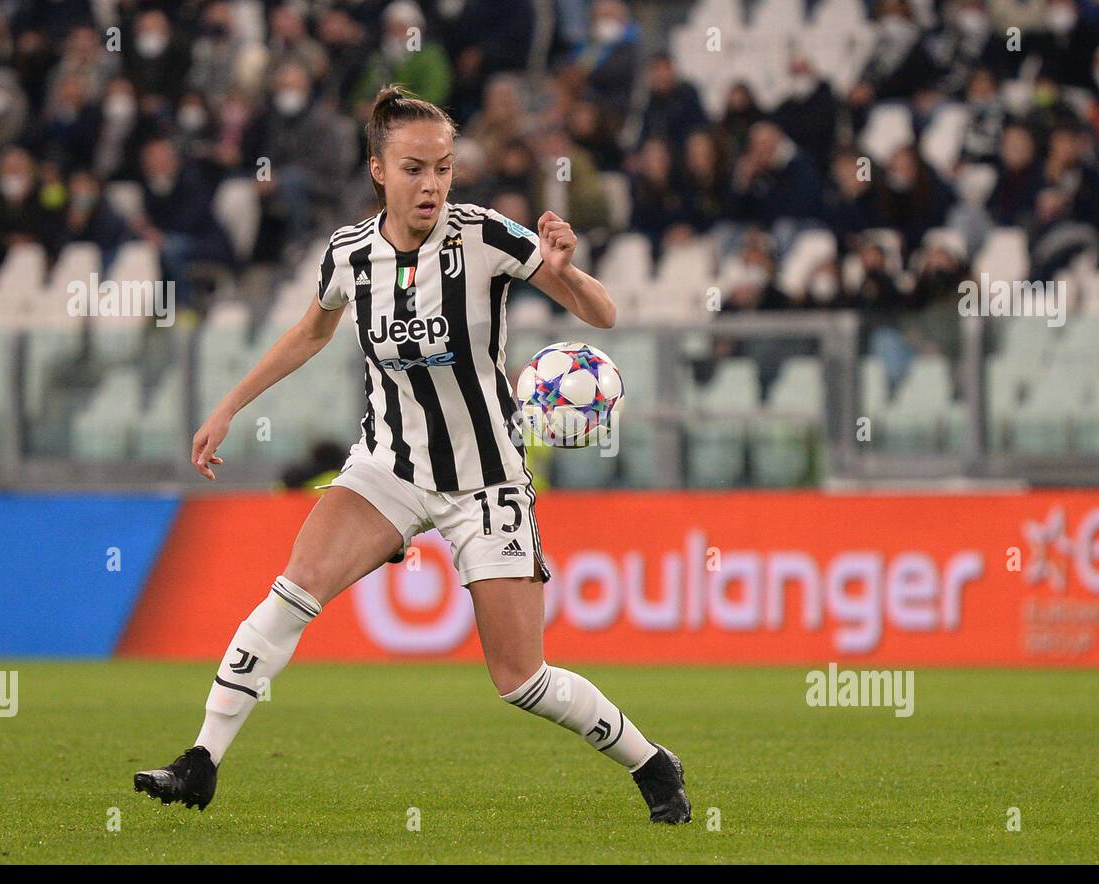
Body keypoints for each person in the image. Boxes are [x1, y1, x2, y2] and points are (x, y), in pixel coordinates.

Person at [134, 86, 691, 825]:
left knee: (520, 679)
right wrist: (231, 405)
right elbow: (310, 331)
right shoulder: (348, 254)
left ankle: (652, 762)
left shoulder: (484, 237)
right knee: (291, 591)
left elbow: (604, 313)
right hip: (387, 468)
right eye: (414, 168)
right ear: (377, 169)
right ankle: (200, 759)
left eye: (444, 167)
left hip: (485, 479)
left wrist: (564, 268)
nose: (432, 184)